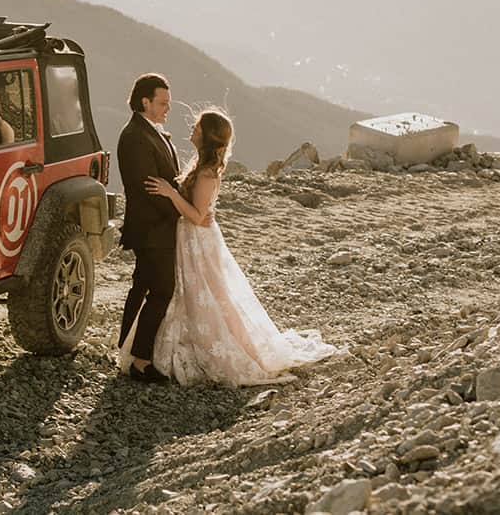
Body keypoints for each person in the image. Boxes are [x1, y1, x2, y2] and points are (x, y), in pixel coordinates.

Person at [119, 108, 340, 385]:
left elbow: (199, 217)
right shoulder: (202, 165)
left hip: (197, 240)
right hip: (188, 238)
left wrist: (171, 194)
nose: (192, 129)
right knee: (189, 294)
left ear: (208, 136)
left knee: (205, 293)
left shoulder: (208, 173)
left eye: (197, 127)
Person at [116, 74, 213, 383]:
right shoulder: (134, 137)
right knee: (161, 291)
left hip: (160, 227)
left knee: (143, 287)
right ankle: (141, 361)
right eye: (163, 103)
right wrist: (184, 213)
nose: (168, 109)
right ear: (145, 101)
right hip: (152, 228)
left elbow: (166, 184)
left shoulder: (153, 133)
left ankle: (128, 352)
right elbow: (149, 190)